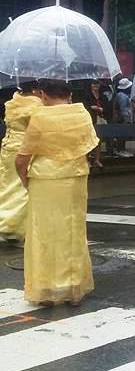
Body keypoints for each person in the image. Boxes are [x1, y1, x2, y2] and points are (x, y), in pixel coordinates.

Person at [16, 79, 99, 305]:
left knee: (44, 233)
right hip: (76, 177)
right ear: (69, 94)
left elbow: (22, 159)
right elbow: (91, 146)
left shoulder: (40, 117)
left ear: (43, 94)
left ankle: (47, 287)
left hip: (45, 179)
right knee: (73, 229)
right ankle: (73, 287)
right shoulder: (82, 114)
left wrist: (26, 182)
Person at [0, 82, 42, 244]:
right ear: (34, 89)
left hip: (8, 146)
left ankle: (4, 221)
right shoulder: (35, 105)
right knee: (22, 187)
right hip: (24, 146)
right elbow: (37, 128)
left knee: (6, 185)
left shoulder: (13, 101)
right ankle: (14, 226)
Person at [83, 81, 107, 167]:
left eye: (97, 84)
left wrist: (101, 109)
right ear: (90, 85)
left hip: (100, 118)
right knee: (88, 140)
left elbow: (107, 106)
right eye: (93, 84)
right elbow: (84, 106)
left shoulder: (103, 96)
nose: (95, 86)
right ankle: (86, 160)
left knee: (98, 140)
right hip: (90, 119)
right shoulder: (86, 95)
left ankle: (97, 160)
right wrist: (91, 107)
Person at [113, 78, 134, 155]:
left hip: (120, 117)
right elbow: (124, 109)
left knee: (122, 135)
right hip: (122, 118)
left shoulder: (121, 95)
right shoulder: (122, 96)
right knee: (122, 135)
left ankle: (121, 149)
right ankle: (120, 150)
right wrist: (127, 120)